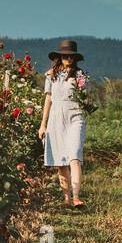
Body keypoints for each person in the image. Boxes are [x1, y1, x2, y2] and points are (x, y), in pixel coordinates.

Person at [38, 38, 87, 207]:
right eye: (65, 56)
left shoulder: (80, 75)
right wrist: (43, 124)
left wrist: (85, 96)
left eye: (71, 56)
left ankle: (76, 196)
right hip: (56, 117)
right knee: (60, 160)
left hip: (75, 115)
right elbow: (48, 99)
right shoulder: (51, 75)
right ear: (60, 56)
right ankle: (66, 198)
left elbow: (86, 97)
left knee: (74, 155)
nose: (68, 59)